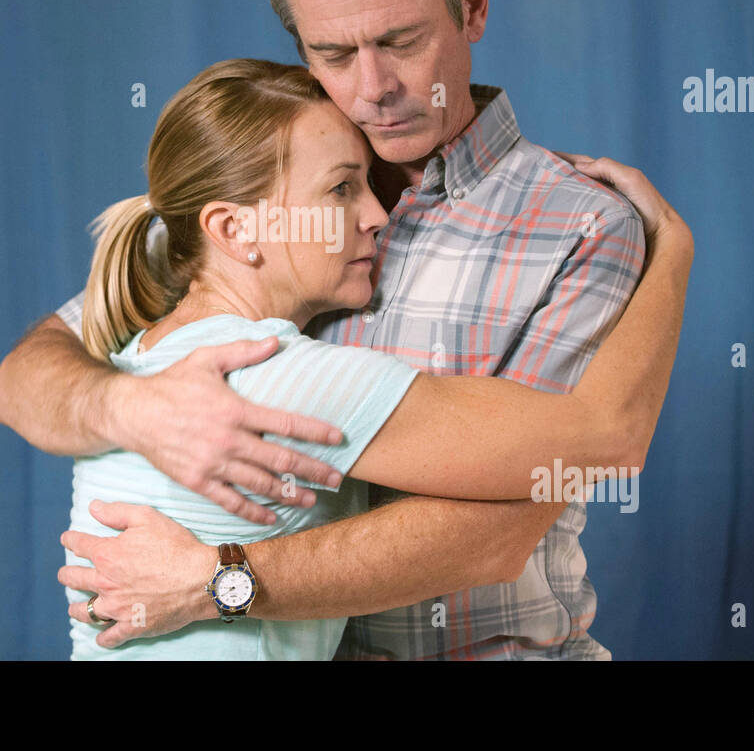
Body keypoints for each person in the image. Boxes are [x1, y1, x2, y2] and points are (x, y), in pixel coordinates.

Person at [0, 0, 693, 660]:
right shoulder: (257, 199)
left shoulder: (579, 224)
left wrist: (221, 578)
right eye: (332, 54)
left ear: (471, 4)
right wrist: (131, 408)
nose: (372, 88)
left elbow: (502, 524)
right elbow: (23, 380)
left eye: (401, 40)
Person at [56, 57, 690, 659]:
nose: (378, 214)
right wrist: (674, 249)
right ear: (232, 230)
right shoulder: (276, 373)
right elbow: (608, 439)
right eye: (340, 189)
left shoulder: (133, 352)